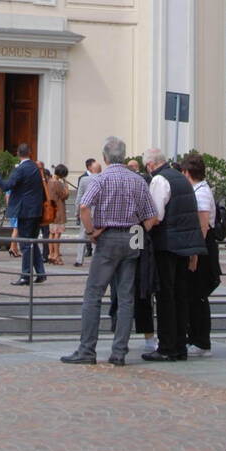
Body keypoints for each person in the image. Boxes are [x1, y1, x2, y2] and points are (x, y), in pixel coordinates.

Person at [60, 136, 157, 366]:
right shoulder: (138, 180)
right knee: (126, 297)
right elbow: (151, 217)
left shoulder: (101, 179)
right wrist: (137, 230)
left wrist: (91, 231)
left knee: (93, 294)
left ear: (104, 157)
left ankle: (87, 349)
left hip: (107, 236)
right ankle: (119, 351)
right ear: (124, 156)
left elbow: (84, 206)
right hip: (131, 236)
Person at [141, 146, 205, 362]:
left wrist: (141, 232)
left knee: (165, 296)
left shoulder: (160, 180)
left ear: (151, 165)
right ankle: (179, 346)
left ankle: (167, 347)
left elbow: (156, 215)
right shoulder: (181, 178)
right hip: (183, 245)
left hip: (167, 245)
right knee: (180, 296)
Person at [0, 144, 47, 285]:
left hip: (24, 211)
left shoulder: (20, 169)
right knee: (33, 242)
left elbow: (6, 186)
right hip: (36, 210)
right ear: (30, 152)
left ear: (17, 153)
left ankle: (25, 276)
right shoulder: (36, 168)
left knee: (25, 244)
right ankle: (40, 273)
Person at [182, 152, 220, 356]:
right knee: (193, 295)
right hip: (201, 246)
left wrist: (194, 255)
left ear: (187, 173)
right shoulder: (199, 190)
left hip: (203, 249)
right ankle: (194, 337)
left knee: (198, 296)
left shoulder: (202, 193)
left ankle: (201, 341)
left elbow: (203, 226)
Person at [74, 159, 101, 265]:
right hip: (99, 211)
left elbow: (79, 197)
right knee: (98, 234)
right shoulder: (104, 178)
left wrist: (77, 212)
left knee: (82, 235)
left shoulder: (84, 180)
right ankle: (97, 259)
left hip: (86, 211)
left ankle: (79, 259)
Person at [47, 165, 69, 264]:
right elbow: (64, 196)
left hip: (51, 210)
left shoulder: (49, 181)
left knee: (51, 233)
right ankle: (56, 255)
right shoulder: (57, 183)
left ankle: (50, 254)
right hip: (59, 211)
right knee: (57, 234)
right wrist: (66, 187)